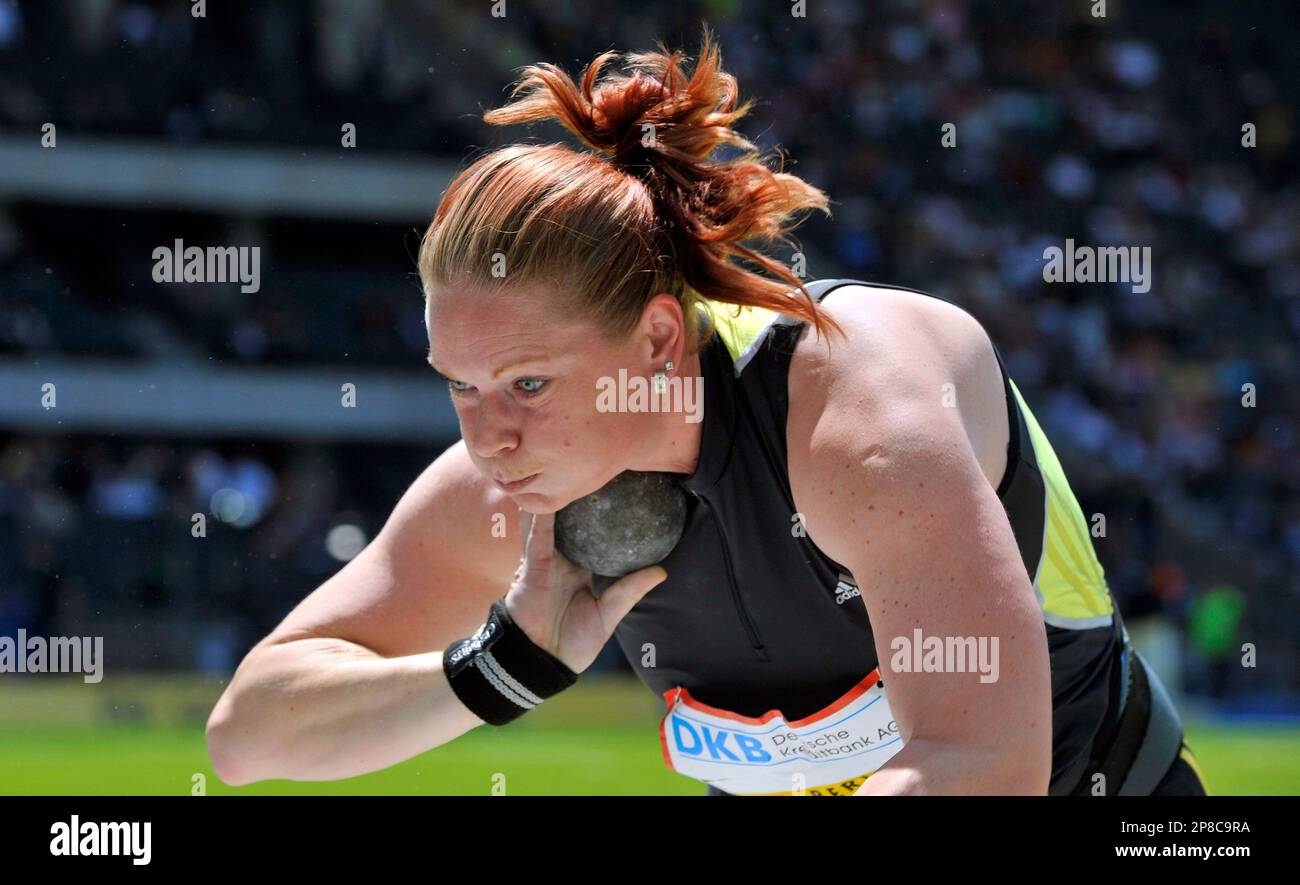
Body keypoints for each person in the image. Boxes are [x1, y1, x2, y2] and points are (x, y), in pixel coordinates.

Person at [205, 29, 1208, 796]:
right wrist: (501, 665)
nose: (486, 435)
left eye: (527, 382)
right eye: (458, 386)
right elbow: (248, 736)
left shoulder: (855, 413)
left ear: (653, 342)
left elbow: (981, 761)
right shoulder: (514, 493)